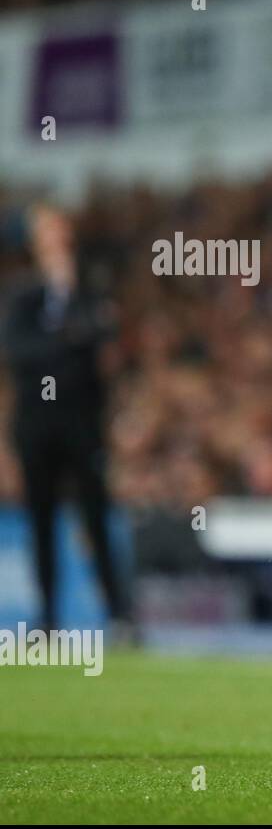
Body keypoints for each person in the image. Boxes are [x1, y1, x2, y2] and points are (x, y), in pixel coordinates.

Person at [4, 203, 130, 636]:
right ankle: (48, 617)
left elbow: (102, 339)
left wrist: (65, 336)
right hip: (37, 424)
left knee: (96, 516)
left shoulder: (91, 288)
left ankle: (119, 614)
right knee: (40, 519)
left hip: (82, 421)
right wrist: (69, 339)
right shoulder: (22, 293)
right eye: (45, 230)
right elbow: (18, 353)